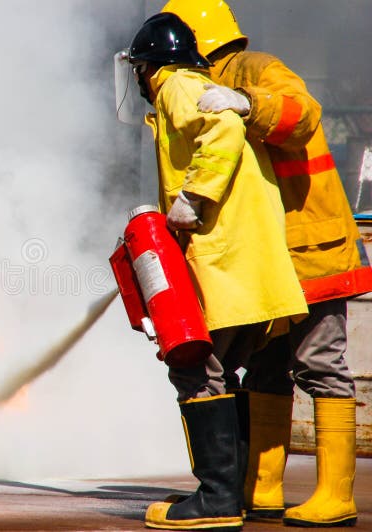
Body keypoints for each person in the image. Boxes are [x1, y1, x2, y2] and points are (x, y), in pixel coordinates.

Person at [161, 0, 372, 527]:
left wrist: (248, 103)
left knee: (319, 364)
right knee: (267, 368)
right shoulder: (209, 81)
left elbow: (304, 114)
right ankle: (264, 488)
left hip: (313, 249)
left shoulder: (254, 70)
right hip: (272, 258)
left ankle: (336, 495)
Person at [125, 12, 308, 531]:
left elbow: (222, 126)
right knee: (224, 373)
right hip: (247, 265)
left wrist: (194, 194)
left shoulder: (176, 86)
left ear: (147, 67)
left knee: (193, 368)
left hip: (225, 263)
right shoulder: (195, 83)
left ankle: (217, 498)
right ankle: (231, 491)